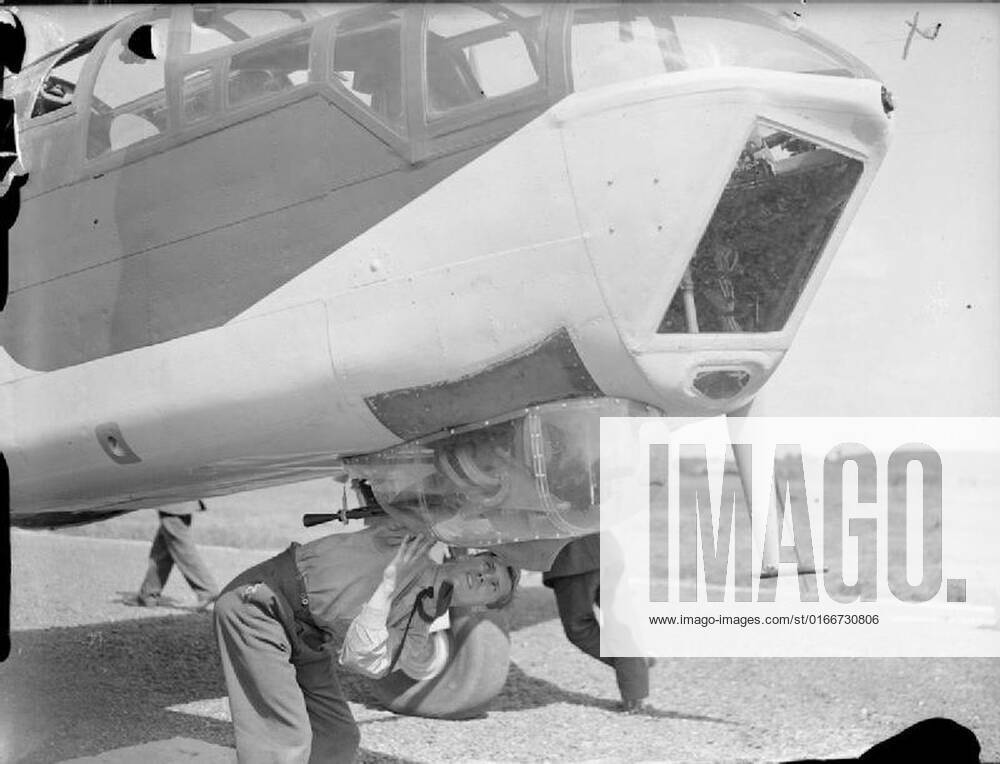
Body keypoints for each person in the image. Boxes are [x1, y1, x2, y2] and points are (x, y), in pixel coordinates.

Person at [213, 525, 519, 764]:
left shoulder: (419, 625)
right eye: (488, 565)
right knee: (284, 739)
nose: (484, 576)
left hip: (307, 634)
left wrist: (386, 588)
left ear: (481, 606)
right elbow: (418, 504)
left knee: (338, 737)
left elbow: (362, 661)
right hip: (260, 605)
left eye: (493, 586)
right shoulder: (409, 538)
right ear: (470, 555)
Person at [543, 533, 651, 713]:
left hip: (574, 560)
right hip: (607, 549)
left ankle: (633, 668)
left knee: (579, 626)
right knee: (619, 620)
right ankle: (634, 684)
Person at [136, 500, 219, 609]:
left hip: (174, 502)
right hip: (178, 502)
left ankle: (207, 590)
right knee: (163, 548)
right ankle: (148, 593)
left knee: (182, 549)